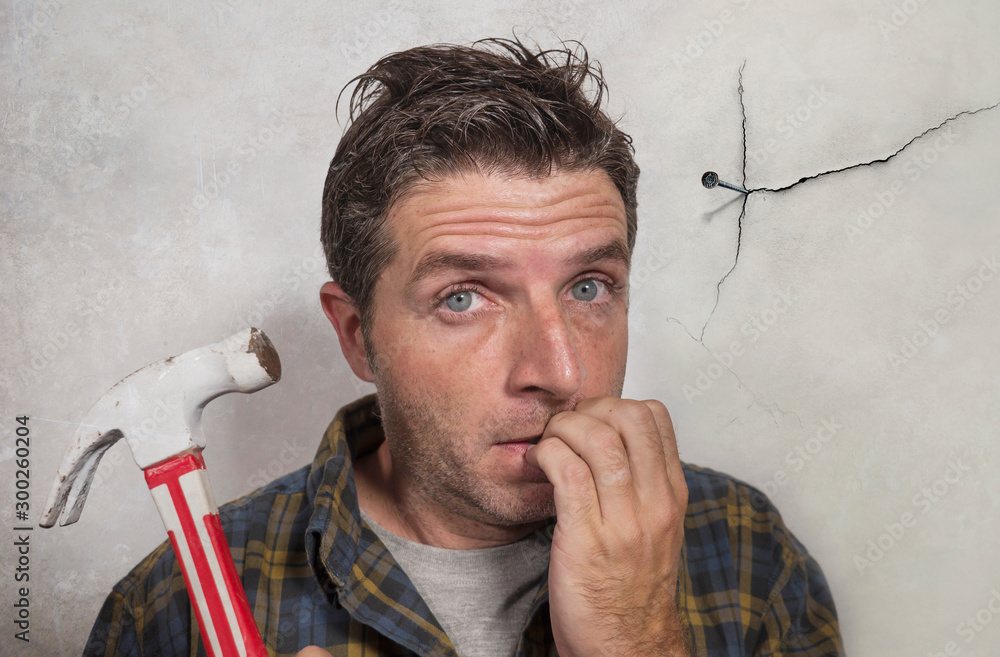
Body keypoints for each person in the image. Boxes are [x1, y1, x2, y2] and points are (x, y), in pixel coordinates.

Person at [84, 37, 844, 657]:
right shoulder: (170, 610)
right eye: (463, 298)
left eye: (588, 286)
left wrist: (636, 639)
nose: (559, 372)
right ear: (357, 335)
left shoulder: (746, 552)